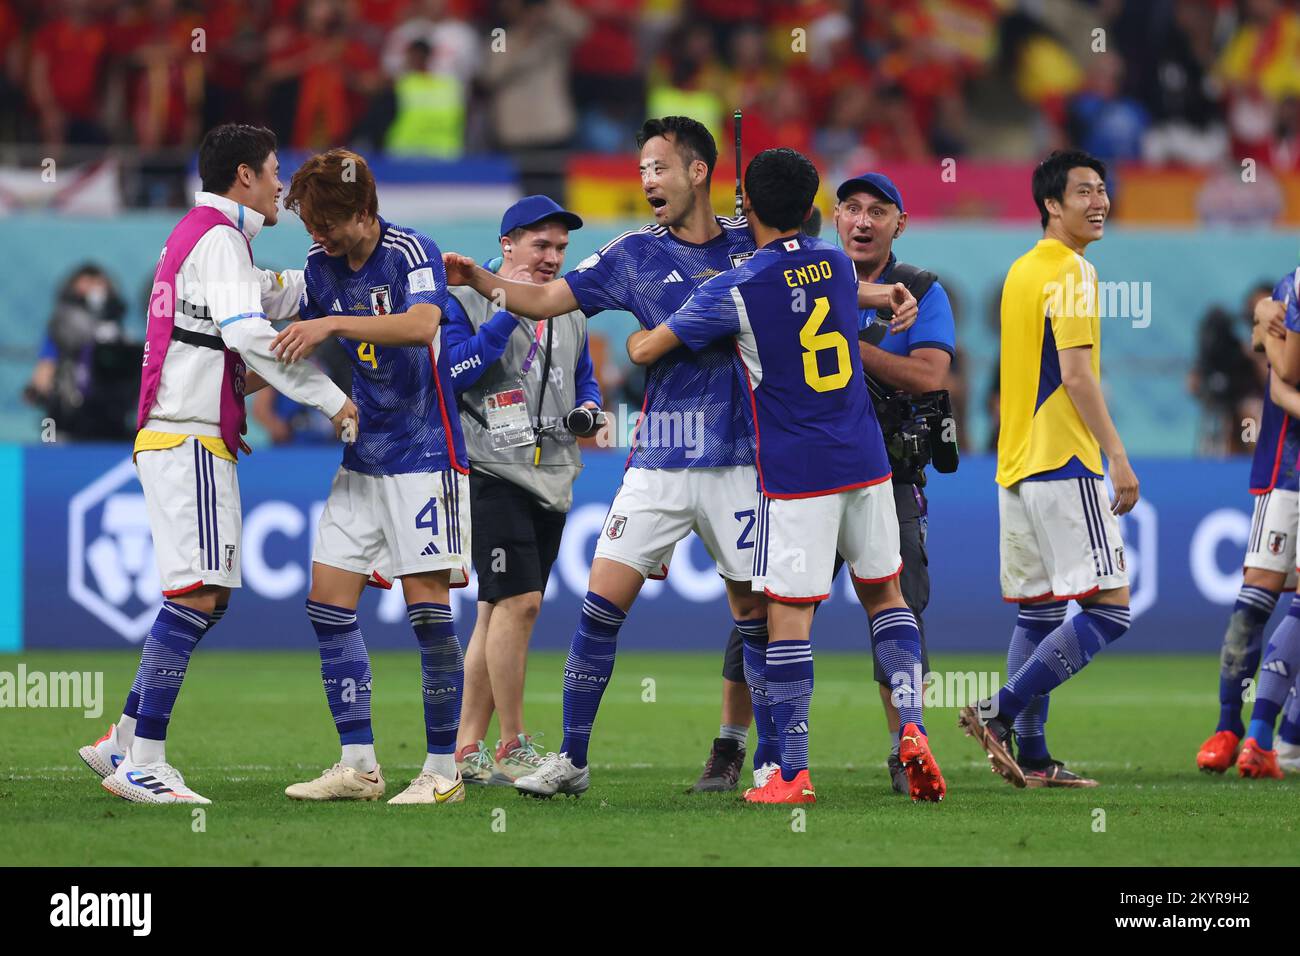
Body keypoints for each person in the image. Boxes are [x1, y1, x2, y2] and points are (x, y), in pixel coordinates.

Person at [442, 116, 915, 798]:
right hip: (659, 461)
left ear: (698, 171)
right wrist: (488, 284)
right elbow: (546, 297)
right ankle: (572, 758)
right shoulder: (630, 254)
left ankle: (775, 761)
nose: (647, 182)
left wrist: (876, 291)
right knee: (600, 606)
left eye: (658, 168)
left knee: (756, 617)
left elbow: (804, 283)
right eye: (641, 171)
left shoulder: (748, 246)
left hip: (744, 462)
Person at [625, 147, 945, 804]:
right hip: (869, 463)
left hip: (799, 471)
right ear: (814, 211)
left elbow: (646, 347)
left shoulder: (737, 286)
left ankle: (792, 772)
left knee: (787, 617)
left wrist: (667, 317)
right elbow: (847, 290)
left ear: (746, 205)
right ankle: (911, 729)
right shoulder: (833, 264)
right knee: (888, 600)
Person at [77, 124, 356, 804]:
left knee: (204, 593)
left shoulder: (198, 234)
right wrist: (329, 398)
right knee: (198, 593)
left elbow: (266, 294)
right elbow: (248, 334)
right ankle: (143, 761)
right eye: (272, 171)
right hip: (188, 437)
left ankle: (122, 738)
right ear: (243, 177)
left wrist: (327, 271)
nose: (281, 184)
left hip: (180, 433)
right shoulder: (222, 238)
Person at [273, 148, 471, 806]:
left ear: (363, 211)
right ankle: (358, 765)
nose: (315, 234)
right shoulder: (319, 267)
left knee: (427, 616)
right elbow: (287, 341)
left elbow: (419, 327)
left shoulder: (412, 252)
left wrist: (329, 321)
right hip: (364, 455)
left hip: (425, 454)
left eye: (325, 222)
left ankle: (443, 772)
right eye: (308, 223)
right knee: (327, 605)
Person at [959, 149, 1138, 789]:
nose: (1099, 201)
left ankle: (1033, 759)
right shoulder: (1074, 272)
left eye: (1103, 188)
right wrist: (1116, 455)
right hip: (1064, 461)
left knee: (1037, 614)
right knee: (1110, 610)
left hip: (1016, 467)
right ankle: (999, 711)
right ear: (1051, 206)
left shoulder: (1021, 271)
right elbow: (1076, 374)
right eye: (1083, 191)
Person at [443, 195, 602, 785]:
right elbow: (455, 371)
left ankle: (466, 749)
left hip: (552, 474)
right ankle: (512, 743)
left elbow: (585, 378)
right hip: (491, 470)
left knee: (494, 611)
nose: (553, 258)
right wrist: (507, 308)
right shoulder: (461, 298)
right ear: (507, 244)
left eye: (561, 247)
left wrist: (588, 407)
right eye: (542, 245)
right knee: (522, 603)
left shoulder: (570, 310)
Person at [1196, 273, 1300, 775]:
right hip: (1284, 468)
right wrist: (1263, 316)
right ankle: (1232, 727)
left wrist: (1273, 352)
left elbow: (1281, 368)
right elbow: (1271, 352)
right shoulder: (1292, 285)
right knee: (1256, 597)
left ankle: (1268, 737)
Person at [24, 264, 138, 440]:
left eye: (99, 281)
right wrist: (38, 389)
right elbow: (46, 366)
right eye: (87, 281)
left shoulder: (117, 329)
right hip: (68, 415)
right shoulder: (61, 326)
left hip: (112, 414)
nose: (95, 287)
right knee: (57, 450)